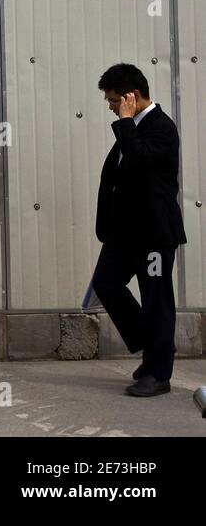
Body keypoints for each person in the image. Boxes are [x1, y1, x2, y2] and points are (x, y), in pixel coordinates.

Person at [91, 63, 187, 397]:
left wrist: (126, 121)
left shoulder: (161, 128)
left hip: (154, 235)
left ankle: (158, 372)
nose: (111, 106)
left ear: (132, 96)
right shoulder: (131, 129)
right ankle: (152, 343)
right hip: (124, 234)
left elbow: (142, 162)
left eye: (115, 99)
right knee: (106, 283)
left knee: (156, 299)